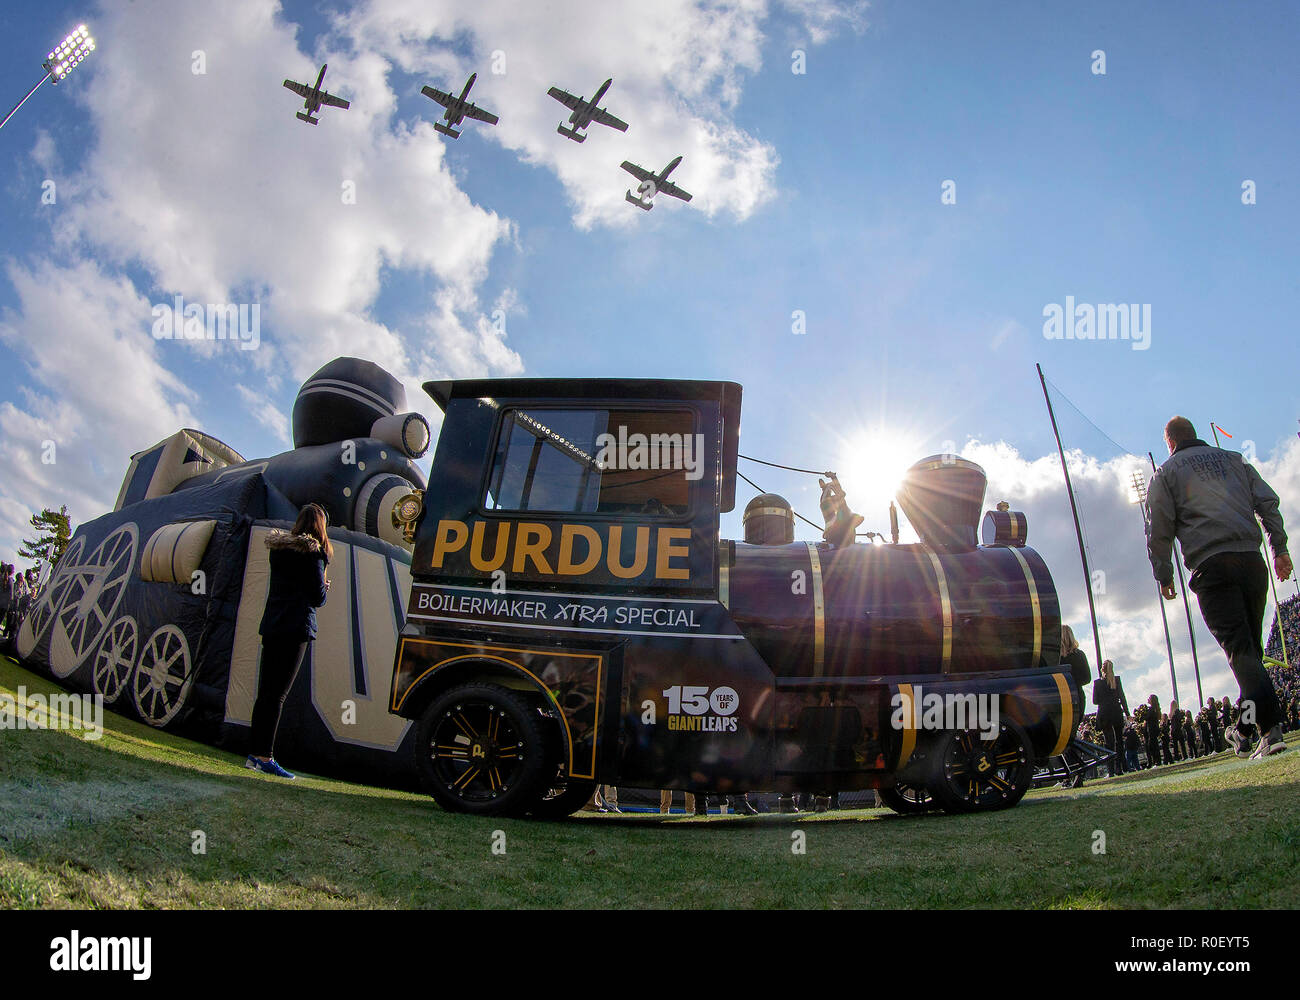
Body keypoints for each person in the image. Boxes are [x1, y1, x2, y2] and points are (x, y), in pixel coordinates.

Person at [1146, 415, 1292, 761]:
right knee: (1250, 655)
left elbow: (1158, 528)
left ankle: (1270, 731)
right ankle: (1242, 730)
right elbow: (1267, 502)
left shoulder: (1166, 473)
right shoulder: (1235, 459)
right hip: (1251, 562)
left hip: (1212, 565)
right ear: (1195, 435)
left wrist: (1164, 574)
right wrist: (1280, 547)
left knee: (1241, 653)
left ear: (1170, 442)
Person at [248, 503, 331, 779]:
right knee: (278, 696)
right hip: (296, 628)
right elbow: (317, 597)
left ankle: (255, 752)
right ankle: (265, 756)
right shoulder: (314, 555)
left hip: (272, 624)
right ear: (320, 527)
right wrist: (325, 585)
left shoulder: (279, 551)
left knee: (265, 693)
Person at [1092, 659, 1130, 775]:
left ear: (1101, 669)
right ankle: (1120, 768)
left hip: (1104, 713)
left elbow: (1095, 701)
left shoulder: (1098, 683)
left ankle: (1111, 770)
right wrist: (1127, 713)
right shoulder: (1116, 681)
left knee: (1109, 742)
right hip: (1116, 712)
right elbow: (1122, 697)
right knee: (1119, 741)